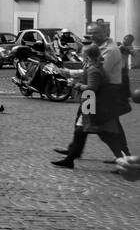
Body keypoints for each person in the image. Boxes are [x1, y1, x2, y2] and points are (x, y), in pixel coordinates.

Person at [53, 23, 131, 168]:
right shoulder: (95, 49)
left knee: (106, 130)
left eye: (94, 33)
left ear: (104, 32)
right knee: (85, 126)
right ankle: (72, 155)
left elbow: (94, 78)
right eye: (89, 34)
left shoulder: (110, 50)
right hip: (93, 97)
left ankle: (124, 157)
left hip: (103, 96)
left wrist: (72, 79)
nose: (91, 36)